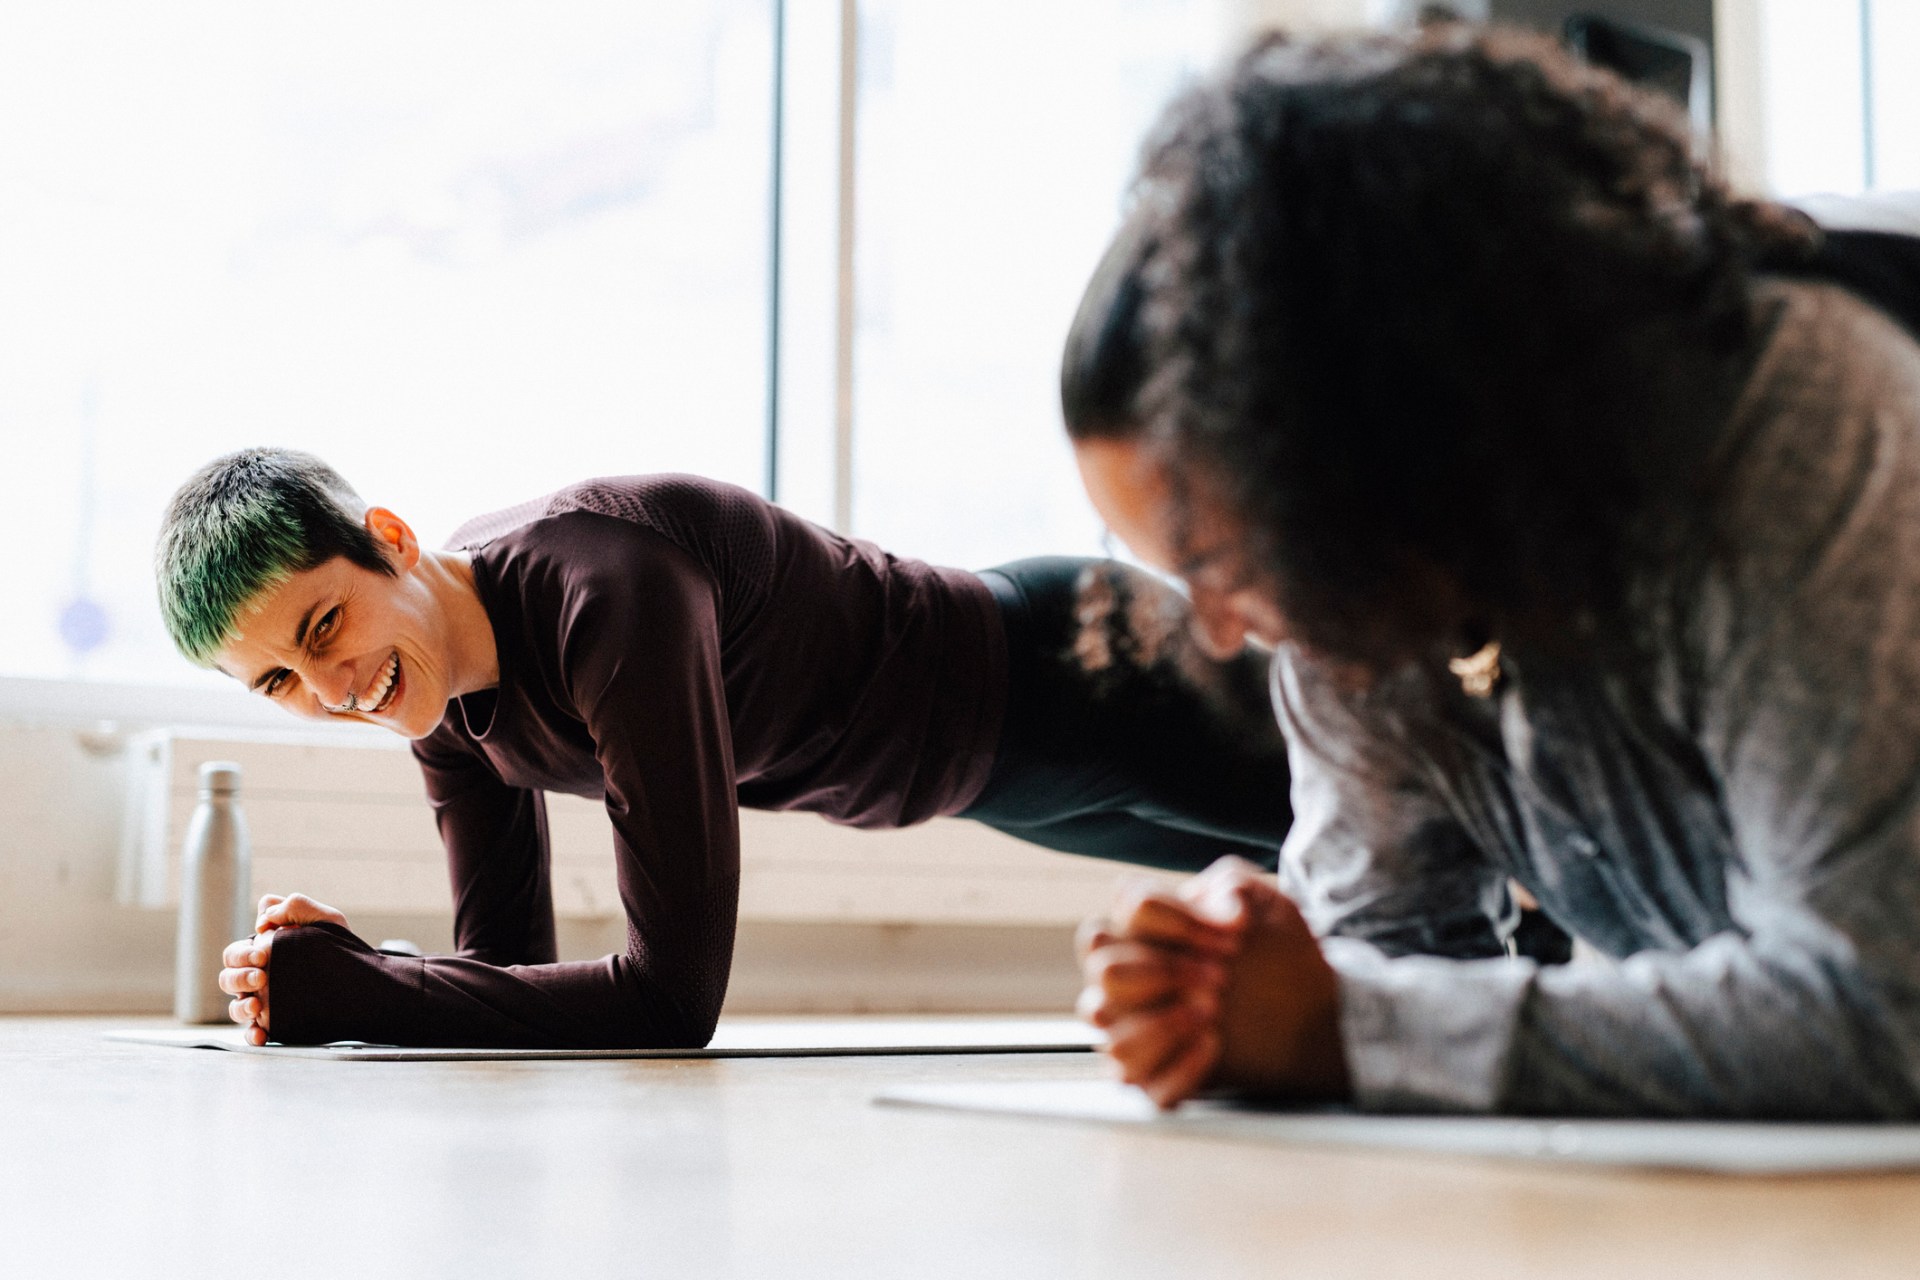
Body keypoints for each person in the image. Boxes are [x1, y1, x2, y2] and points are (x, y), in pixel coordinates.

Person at [1065, 25, 1920, 1117]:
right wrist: (1238, 1002)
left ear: (1396, 444)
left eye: (1227, 563)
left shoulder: (1796, 418)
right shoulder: (1357, 595)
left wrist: (1348, 1023)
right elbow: (1392, 966)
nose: (1222, 631)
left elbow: (1887, 1014)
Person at [155, 454, 1291, 1047]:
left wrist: (362, 994)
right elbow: (509, 973)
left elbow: (669, 998)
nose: (335, 689)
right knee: (1369, 881)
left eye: (323, 629)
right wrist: (366, 968)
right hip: (994, 780)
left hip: (1078, 671)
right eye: (281, 684)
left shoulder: (603, 591)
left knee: (1445, 851)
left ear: (390, 540)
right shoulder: (439, 696)